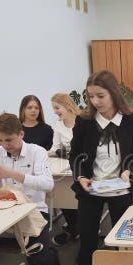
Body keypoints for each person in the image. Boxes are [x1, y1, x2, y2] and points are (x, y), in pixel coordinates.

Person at [69, 70, 133, 265]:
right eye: (91, 96)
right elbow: (75, 155)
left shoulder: (130, 119)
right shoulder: (84, 122)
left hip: (120, 189)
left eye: (100, 95)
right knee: (87, 243)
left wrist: (128, 170)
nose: (95, 101)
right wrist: (81, 176)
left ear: (113, 93)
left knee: (123, 241)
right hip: (92, 189)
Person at [0, 113, 61, 265]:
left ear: (21, 134)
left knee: (39, 264)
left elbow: (48, 184)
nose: (4, 145)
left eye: (9, 140)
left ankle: (52, 256)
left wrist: (13, 174)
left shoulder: (37, 152)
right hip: (5, 211)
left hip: (34, 212)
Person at [48, 93, 80, 245]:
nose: (55, 111)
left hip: (83, 165)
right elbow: (54, 148)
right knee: (61, 192)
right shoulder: (59, 125)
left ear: (67, 106)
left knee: (76, 195)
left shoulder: (82, 122)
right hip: (66, 166)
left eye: (57, 107)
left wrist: (63, 152)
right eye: (54, 108)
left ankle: (79, 226)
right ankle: (73, 227)